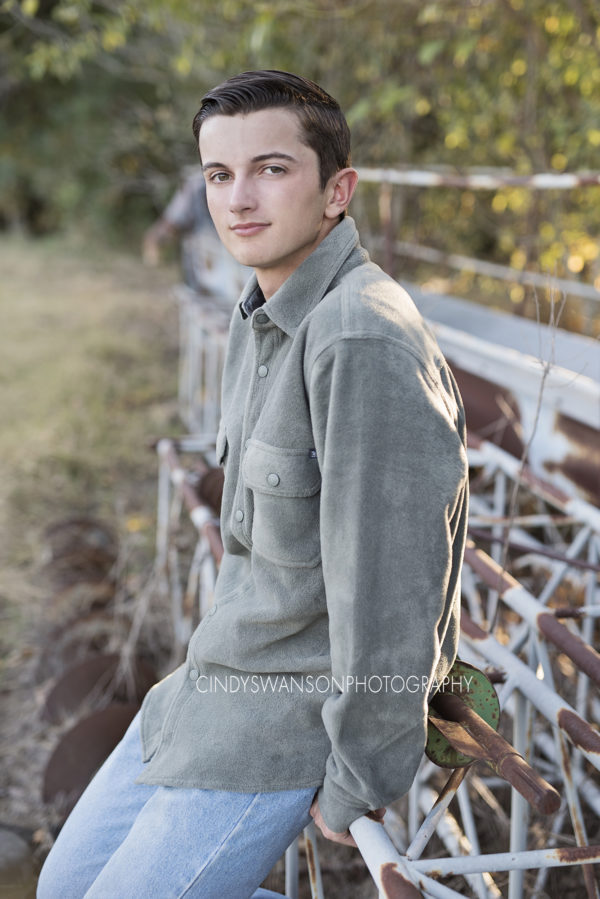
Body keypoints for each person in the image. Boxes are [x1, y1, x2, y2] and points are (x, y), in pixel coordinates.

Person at [38, 70, 469, 898]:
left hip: (278, 726)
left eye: (272, 169)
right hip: (206, 688)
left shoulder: (359, 339)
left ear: (337, 191)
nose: (239, 198)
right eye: (219, 174)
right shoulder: (264, 315)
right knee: (62, 888)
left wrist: (360, 774)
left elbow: (393, 596)